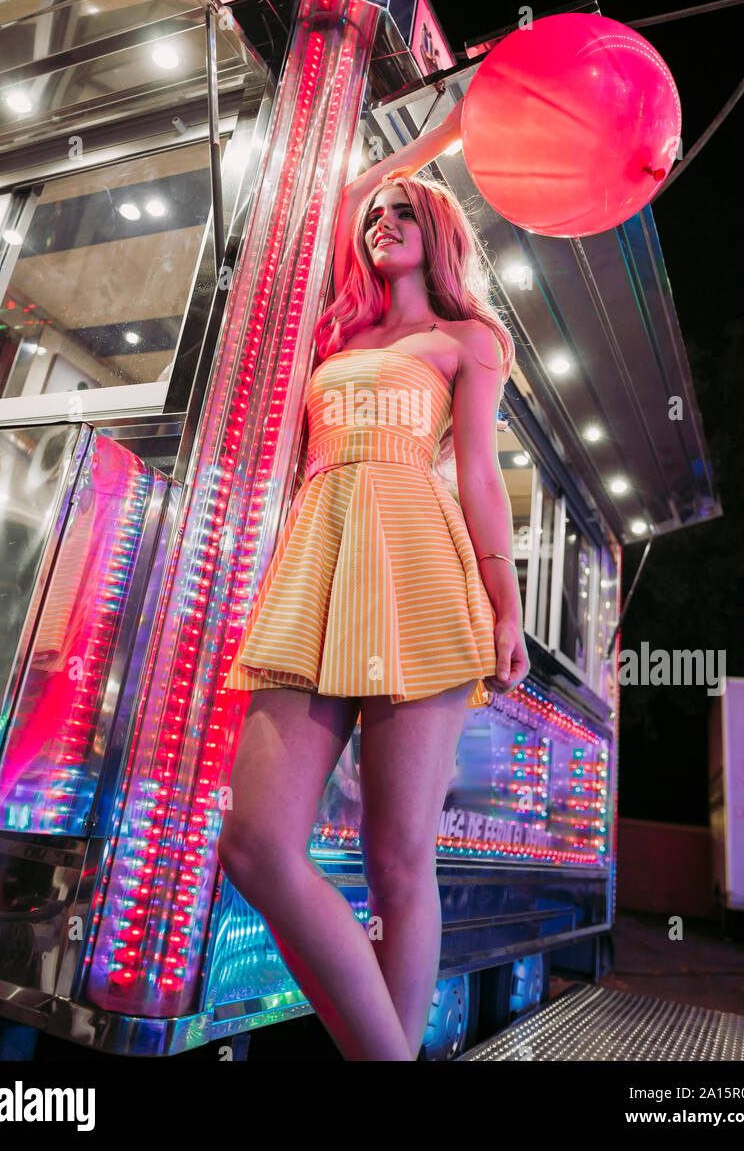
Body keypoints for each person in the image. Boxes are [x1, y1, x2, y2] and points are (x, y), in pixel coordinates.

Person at [216, 97, 530, 1061]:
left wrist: (505, 606)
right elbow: (341, 195)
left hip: (424, 569)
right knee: (257, 846)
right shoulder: (331, 334)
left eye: (402, 213)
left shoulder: (468, 341)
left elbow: (477, 477)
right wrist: (443, 135)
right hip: (317, 564)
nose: (379, 221)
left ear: (435, 231)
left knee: (399, 861)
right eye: (374, 219)